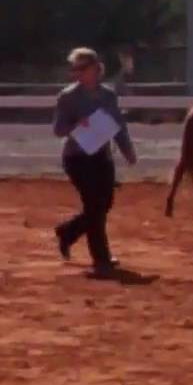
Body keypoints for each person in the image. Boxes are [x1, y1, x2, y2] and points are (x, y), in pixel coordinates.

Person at [51, 47, 138, 276]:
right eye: (75, 69)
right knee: (93, 205)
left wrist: (127, 150)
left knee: (105, 203)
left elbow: (118, 125)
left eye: (82, 68)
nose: (77, 73)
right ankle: (101, 258)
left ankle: (68, 232)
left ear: (95, 68)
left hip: (102, 156)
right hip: (77, 157)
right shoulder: (68, 97)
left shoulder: (109, 96)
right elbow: (58, 130)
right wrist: (76, 124)